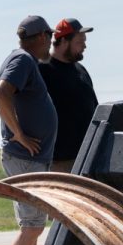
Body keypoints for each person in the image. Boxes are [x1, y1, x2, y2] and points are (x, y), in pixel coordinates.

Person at [0, 15, 57, 245]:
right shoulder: (22, 60)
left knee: (34, 227)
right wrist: (18, 133)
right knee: (31, 227)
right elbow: (0, 94)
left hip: (31, 158)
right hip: (24, 156)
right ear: (41, 36)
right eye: (50, 37)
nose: (50, 43)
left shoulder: (24, 60)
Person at [40, 17, 98, 173]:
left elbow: (95, 108)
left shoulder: (81, 70)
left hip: (88, 157)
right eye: (80, 42)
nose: (85, 46)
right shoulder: (42, 70)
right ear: (64, 41)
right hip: (59, 161)